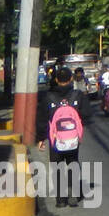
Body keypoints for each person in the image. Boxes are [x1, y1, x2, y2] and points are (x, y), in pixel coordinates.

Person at [37, 66, 89, 206]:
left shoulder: (48, 97)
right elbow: (86, 114)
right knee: (73, 163)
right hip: (72, 139)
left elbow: (41, 119)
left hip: (55, 139)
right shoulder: (78, 95)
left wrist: (41, 139)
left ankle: (61, 200)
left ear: (56, 80)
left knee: (57, 166)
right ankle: (75, 193)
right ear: (71, 79)